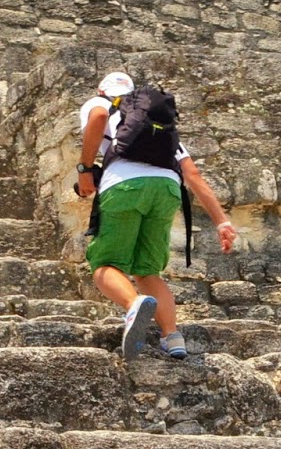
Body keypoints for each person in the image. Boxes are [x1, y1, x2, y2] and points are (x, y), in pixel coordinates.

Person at [75, 71, 237, 359]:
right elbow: (193, 174)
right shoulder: (160, 123)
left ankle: (134, 304)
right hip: (167, 189)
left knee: (104, 264)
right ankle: (172, 336)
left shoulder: (99, 103)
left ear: (102, 89)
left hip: (124, 186)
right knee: (147, 269)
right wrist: (221, 221)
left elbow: (98, 119)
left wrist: (85, 170)